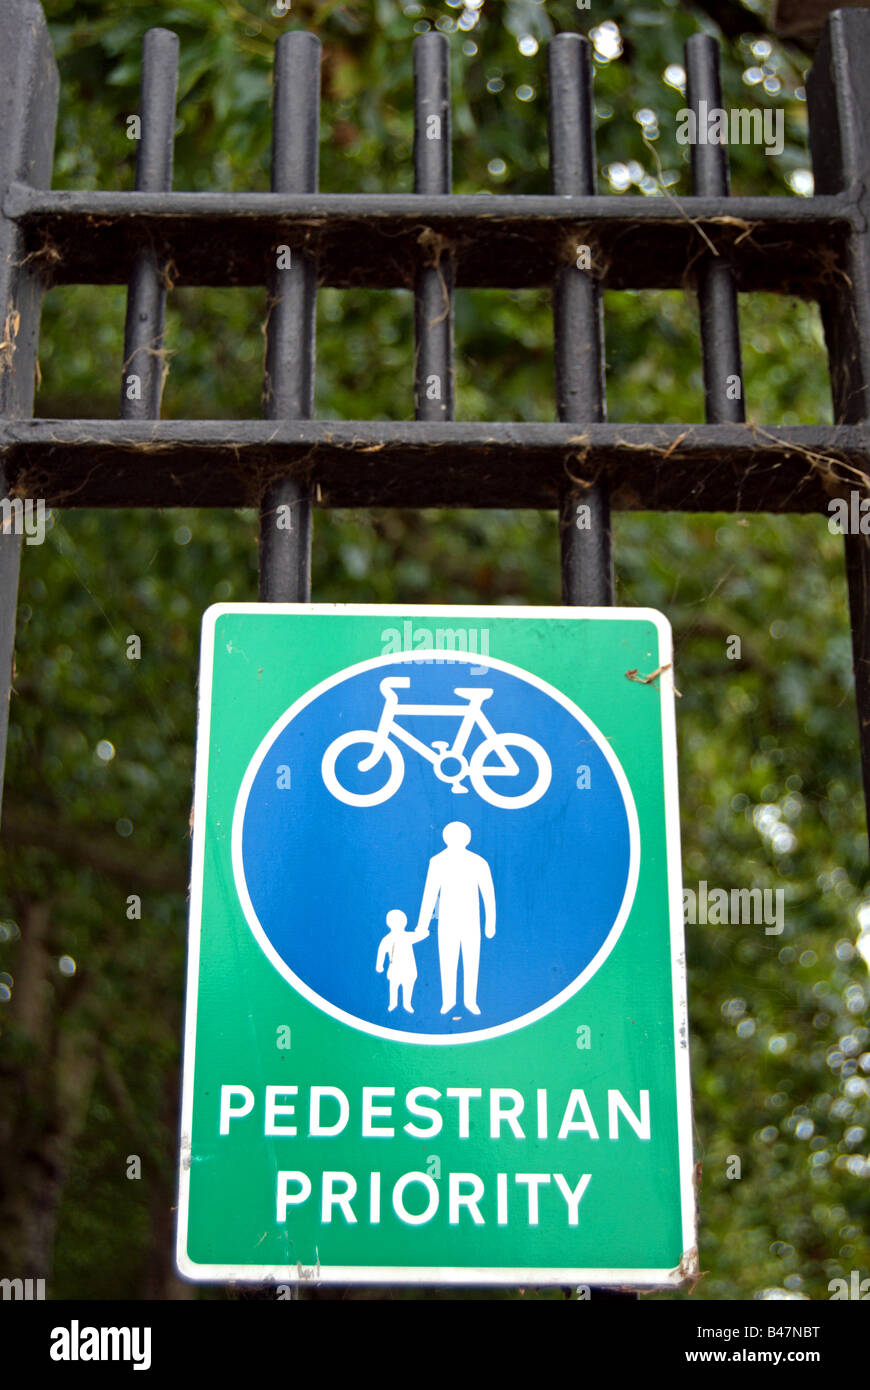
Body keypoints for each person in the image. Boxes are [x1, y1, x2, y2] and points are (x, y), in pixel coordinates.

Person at [414, 822, 495, 1015]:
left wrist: (490, 923)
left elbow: (488, 895)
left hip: (471, 921)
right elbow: (430, 894)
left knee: (471, 961)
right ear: (445, 837)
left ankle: (470, 1001)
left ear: (468, 838)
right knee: (447, 961)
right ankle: (448, 1001)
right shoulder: (437, 861)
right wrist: (422, 925)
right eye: (453, 835)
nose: (457, 839)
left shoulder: (478, 862)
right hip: (447, 922)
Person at [375, 909, 420, 1013]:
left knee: (408, 987)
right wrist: (379, 965)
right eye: (394, 922)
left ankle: (407, 1004)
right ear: (389, 923)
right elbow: (381, 952)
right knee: (394, 986)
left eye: (400, 921)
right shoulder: (387, 939)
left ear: (404, 922)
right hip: (395, 970)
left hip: (409, 970)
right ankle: (393, 1003)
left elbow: (420, 935)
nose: (398, 924)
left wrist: (423, 932)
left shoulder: (408, 936)